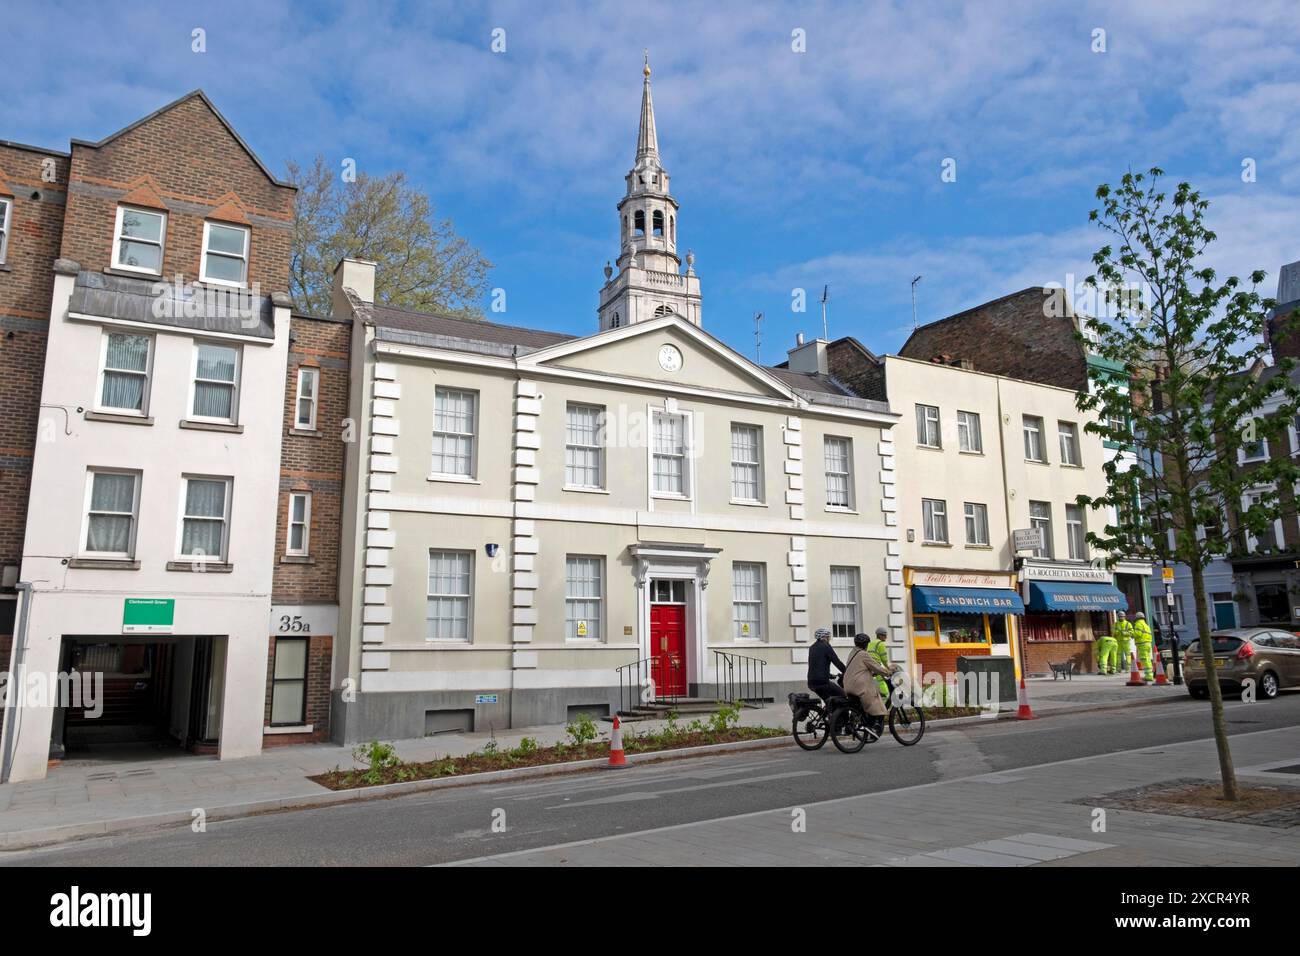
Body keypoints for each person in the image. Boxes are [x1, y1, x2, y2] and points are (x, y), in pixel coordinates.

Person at [844, 632, 895, 737]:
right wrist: (888, 672)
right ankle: (872, 726)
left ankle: (866, 722)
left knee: (867, 702)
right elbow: (876, 666)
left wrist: (872, 673)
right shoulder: (863, 654)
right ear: (866, 644)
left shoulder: (852, 652)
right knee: (877, 700)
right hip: (858, 686)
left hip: (847, 685)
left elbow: (859, 669)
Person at [807, 627, 845, 704]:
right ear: (824, 637)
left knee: (828, 701)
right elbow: (837, 662)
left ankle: (827, 714)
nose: (829, 639)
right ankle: (836, 715)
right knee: (843, 695)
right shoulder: (826, 646)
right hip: (822, 682)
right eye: (828, 637)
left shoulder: (812, 647)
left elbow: (816, 665)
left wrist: (830, 676)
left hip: (811, 682)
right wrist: (847, 671)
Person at [1133, 611, 1155, 682]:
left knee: (1144, 660)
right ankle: (1149, 674)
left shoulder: (1138, 624)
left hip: (1142, 644)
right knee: (1147, 659)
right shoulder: (1146, 625)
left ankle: (1148, 676)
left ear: (1137, 618)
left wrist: (1131, 633)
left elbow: (1137, 634)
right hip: (1148, 644)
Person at [1111, 611, 1135, 676]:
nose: (1121, 618)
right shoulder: (1116, 624)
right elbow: (1113, 632)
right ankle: (1118, 668)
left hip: (1126, 641)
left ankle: (1128, 668)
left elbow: (1132, 632)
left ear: (1124, 617)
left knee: (1127, 655)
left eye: (1122, 616)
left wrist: (1126, 633)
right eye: (1120, 617)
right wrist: (1117, 632)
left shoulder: (1128, 624)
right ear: (1118, 617)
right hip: (1118, 641)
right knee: (1118, 655)